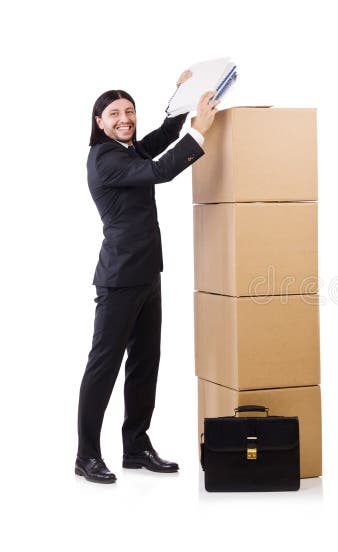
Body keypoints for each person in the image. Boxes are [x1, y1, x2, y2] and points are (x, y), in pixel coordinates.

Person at [75, 72, 220, 484]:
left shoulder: (126, 151)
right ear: (99, 121)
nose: (126, 118)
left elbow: (154, 144)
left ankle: (136, 446)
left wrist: (182, 99)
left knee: (145, 363)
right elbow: (159, 170)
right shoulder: (105, 159)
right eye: (115, 113)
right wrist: (197, 134)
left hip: (146, 273)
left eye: (130, 111)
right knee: (103, 367)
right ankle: (86, 455)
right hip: (119, 279)